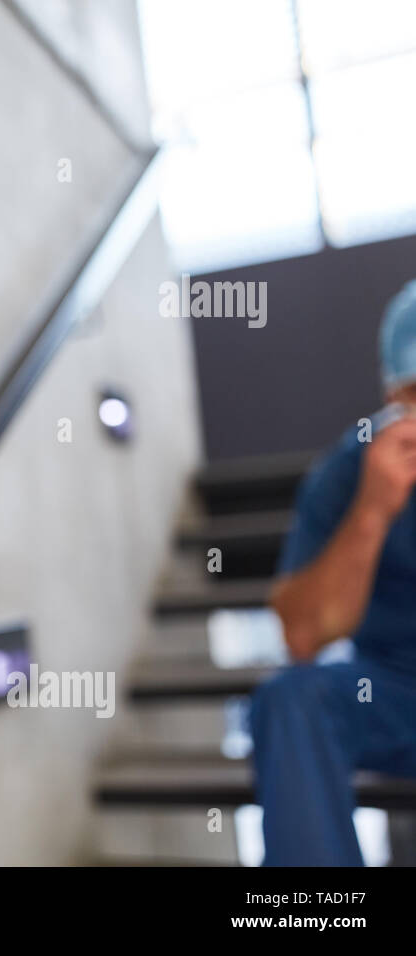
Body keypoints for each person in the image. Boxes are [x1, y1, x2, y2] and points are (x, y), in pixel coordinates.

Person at [252, 279, 416, 866]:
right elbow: (303, 637)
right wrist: (372, 512)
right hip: (397, 694)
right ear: (394, 395)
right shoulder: (352, 469)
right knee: (291, 699)